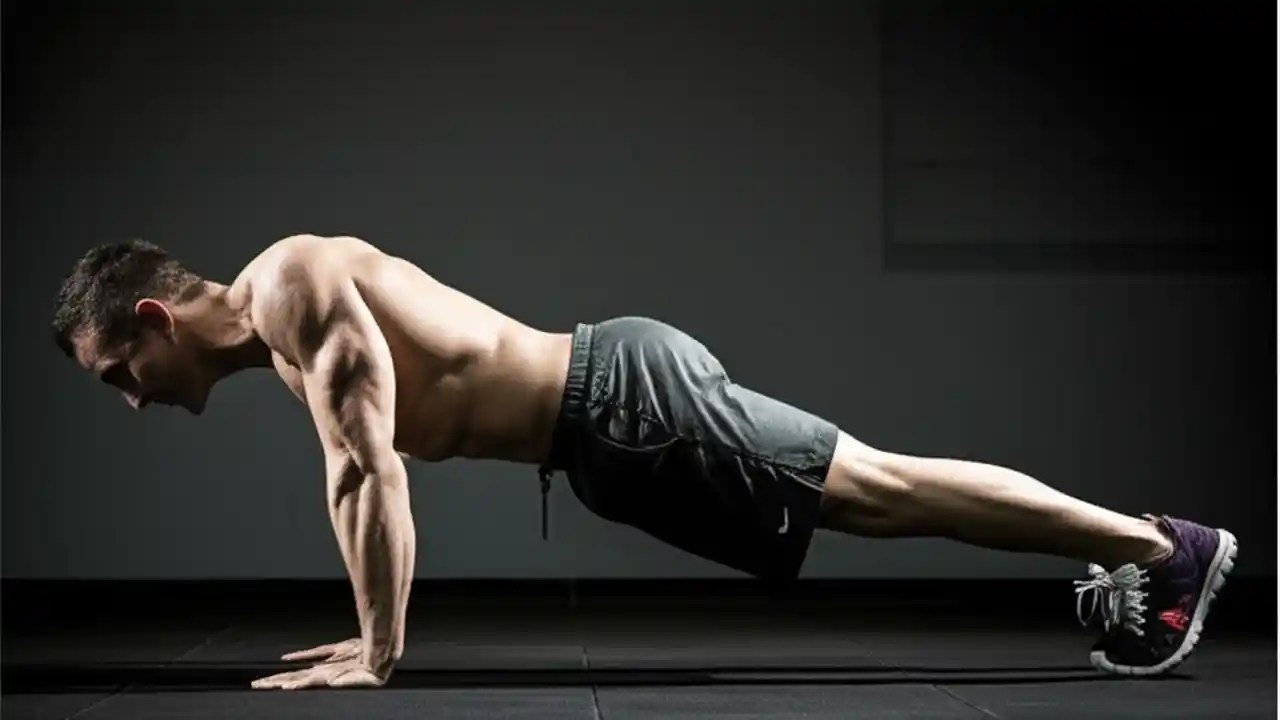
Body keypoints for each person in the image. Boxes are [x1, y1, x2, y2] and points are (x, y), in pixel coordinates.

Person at [52, 233, 1237, 690]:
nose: (134, 405)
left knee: (883, 490)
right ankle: (1137, 549)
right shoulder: (278, 329)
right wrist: (369, 637)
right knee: (880, 502)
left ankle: (1154, 546)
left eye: (120, 377)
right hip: (612, 432)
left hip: (620, 402)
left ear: (155, 322)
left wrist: (380, 654)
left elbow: (365, 470)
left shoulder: (294, 286)